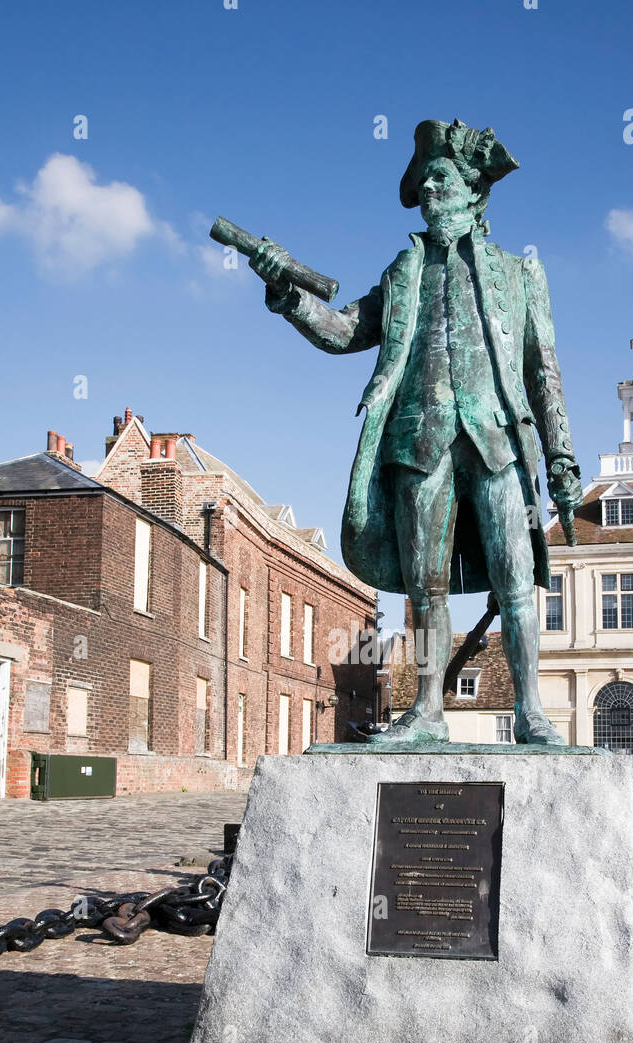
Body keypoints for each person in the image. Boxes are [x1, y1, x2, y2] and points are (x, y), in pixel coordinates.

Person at [250, 119, 583, 746]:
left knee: (515, 579)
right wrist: (286, 292)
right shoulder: (404, 272)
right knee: (426, 585)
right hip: (418, 440)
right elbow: (343, 331)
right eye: (424, 180)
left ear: (473, 193)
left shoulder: (520, 275)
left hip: (499, 437)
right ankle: (426, 711)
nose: (430, 189)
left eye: (442, 178)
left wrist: (561, 454)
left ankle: (532, 712)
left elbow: (544, 371)